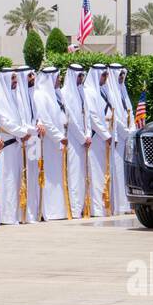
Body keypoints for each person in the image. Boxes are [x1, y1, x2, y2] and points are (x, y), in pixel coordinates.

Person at [0, 69, 34, 225]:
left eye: (16, 78)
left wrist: (27, 131)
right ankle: (4, 217)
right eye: (13, 78)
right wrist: (23, 132)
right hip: (5, 148)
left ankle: (13, 216)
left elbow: (20, 120)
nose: (16, 81)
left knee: (14, 182)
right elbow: (4, 122)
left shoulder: (13, 97)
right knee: (5, 183)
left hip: (16, 145)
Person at [33, 66, 71, 220]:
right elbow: (46, 121)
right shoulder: (40, 95)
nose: (59, 79)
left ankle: (58, 210)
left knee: (57, 176)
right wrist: (58, 136)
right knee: (48, 177)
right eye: (56, 77)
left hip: (57, 142)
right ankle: (48, 211)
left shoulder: (55, 94)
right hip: (48, 143)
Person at [61, 64, 92, 218]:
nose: (81, 79)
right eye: (79, 76)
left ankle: (81, 208)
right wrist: (82, 137)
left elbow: (87, 115)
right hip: (73, 140)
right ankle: (74, 209)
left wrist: (88, 135)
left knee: (82, 175)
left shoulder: (81, 92)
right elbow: (70, 119)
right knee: (74, 174)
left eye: (82, 76)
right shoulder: (65, 92)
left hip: (84, 140)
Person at [83, 64, 114, 216]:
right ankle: (96, 209)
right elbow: (93, 118)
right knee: (95, 174)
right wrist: (106, 135)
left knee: (104, 173)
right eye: (104, 76)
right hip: (96, 138)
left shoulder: (102, 90)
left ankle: (105, 206)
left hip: (105, 138)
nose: (106, 78)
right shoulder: (88, 91)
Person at [105, 64, 135, 214]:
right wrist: (127, 133)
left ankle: (128, 204)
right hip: (119, 139)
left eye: (123, 74)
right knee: (118, 172)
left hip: (127, 139)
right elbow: (115, 118)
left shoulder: (123, 91)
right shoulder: (111, 92)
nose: (122, 77)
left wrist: (133, 132)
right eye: (119, 75)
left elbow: (131, 113)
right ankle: (120, 206)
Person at [19, 67, 45, 221]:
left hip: (35, 140)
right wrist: (33, 129)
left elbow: (38, 115)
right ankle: (26, 214)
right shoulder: (18, 96)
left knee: (35, 175)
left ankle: (35, 211)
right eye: (29, 76)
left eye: (33, 76)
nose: (32, 78)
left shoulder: (33, 94)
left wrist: (40, 124)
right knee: (26, 175)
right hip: (25, 139)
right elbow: (21, 121)